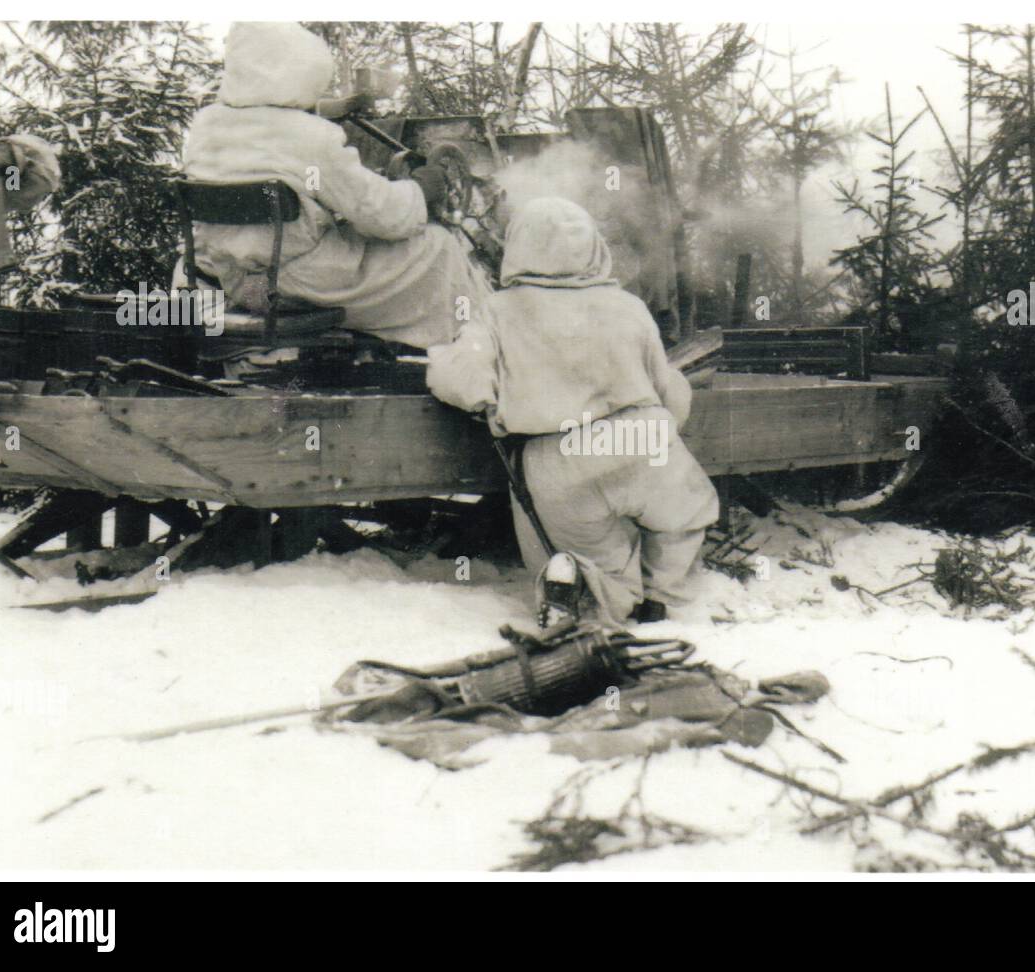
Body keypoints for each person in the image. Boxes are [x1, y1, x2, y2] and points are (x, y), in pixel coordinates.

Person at [427, 196, 718, 623]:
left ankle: (584, 585)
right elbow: (667, 389)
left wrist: (483, 396)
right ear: (594, 247)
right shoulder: (629, 307)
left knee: (595, 559)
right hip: (645, 439)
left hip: (560, 456)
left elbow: (460, 376)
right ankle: (663, 598)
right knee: (683, 518)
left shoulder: (499, 310)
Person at [176, 21, 490, 348]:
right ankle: (458, 351)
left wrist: (332, 109)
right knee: (438, 246)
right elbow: (382, 215)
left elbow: (269, 117)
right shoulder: (311, 138)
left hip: (242, 286)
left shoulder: (207, 126)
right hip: (303, 287)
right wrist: (420, 190)